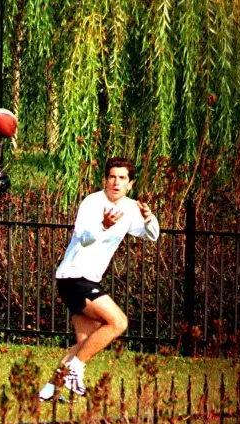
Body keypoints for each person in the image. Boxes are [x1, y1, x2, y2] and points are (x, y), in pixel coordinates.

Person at [39, 156, 160, 401]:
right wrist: (103, 225)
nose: (116, 182)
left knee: (84, 342)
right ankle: (75, 370)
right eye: (112, 177)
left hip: (87, 279)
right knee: (118, 323)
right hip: (73, 276)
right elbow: (83, 237)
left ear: (130, 184)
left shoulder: (130, 208)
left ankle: (49, 390)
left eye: (122, 178)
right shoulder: (92, 203)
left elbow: (152, 236)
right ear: (105, 179)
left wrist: (148, 218)